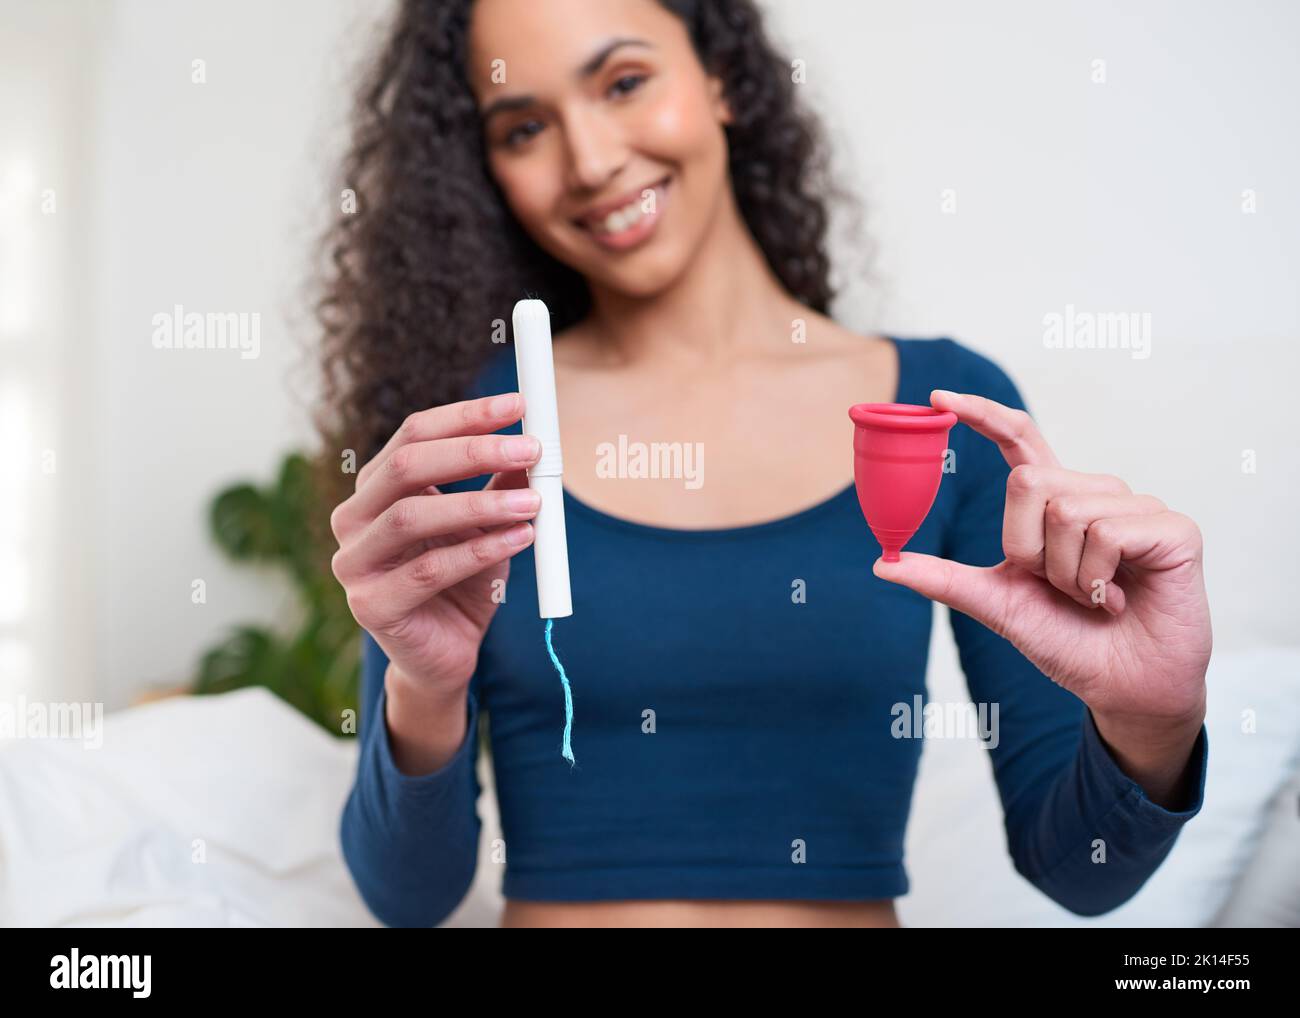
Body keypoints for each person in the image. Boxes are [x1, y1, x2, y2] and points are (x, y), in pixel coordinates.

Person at [319, 0, 1211, 928]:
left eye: (625, 82)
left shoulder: (938, 409)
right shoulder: (475, 438)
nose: (588, 161)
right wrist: (425, 692)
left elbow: (1081, 873)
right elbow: (406, 897)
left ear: (720, 79)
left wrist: (1153, 721)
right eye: (524, 126)